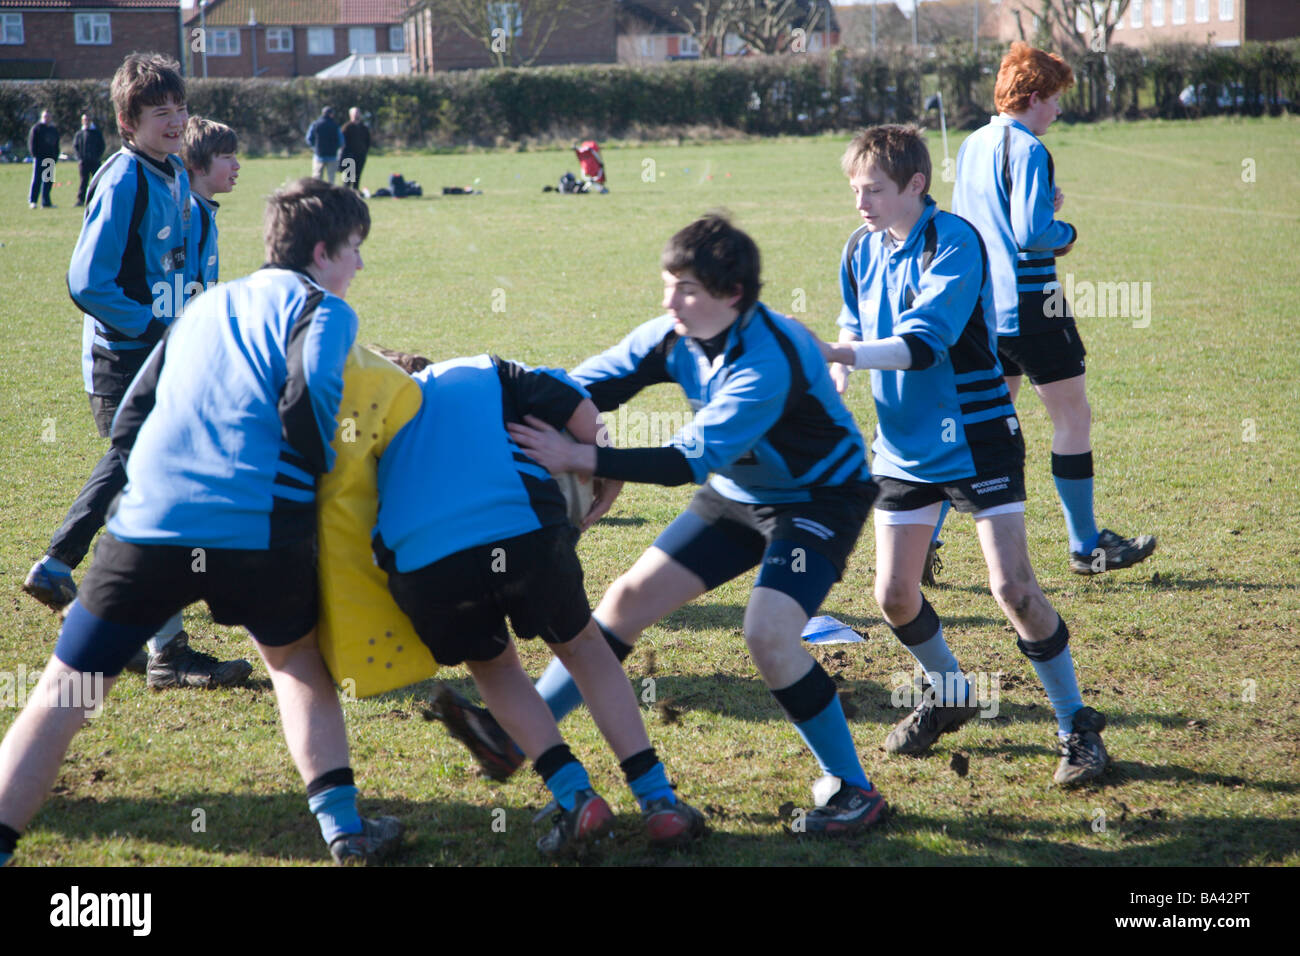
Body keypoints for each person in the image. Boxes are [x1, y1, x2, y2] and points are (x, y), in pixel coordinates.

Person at [436, 214, 889, 835]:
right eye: (668, 282)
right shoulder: (673, 334)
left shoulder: (770, 360)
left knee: (769, 633)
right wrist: (530, 414)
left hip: (818, 502)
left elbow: (683, 460)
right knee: (624, 600)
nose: (669, 300)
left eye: (688, 290)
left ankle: (853, 789)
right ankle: (517, 735)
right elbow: (583, 386)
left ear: (732, 296)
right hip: (736, 492)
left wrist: (583, 459)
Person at [0, 178, 403, 868]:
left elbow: (131, 418)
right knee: (297, 666)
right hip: (258, 528)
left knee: (62, 692)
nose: (359, 267)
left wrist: (152, 491)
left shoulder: (204, 305)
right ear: (321, 250)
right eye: (355, 250)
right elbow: (306, 400)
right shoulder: (324, 308)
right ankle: (346, 833)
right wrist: (315, 480)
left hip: (148, 526)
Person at [825, 124, 1110, 787]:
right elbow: (854, 320)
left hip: (977, 435)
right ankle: (950, 690)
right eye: (854, 189)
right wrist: (840, 365)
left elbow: (924, 344)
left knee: (1013, 589)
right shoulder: (861, 247)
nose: (860, 202)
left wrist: (841, 356)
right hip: (901, 446)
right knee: (893, 595)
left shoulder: (953, 242)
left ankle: (1076, 724)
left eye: (873, 189)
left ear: (915, 186)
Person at [373, 350, 705, 855]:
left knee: (494, 668)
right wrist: (606, 467)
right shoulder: (488, 370)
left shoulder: (371, 411)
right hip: (521, 533)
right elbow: (579, 405)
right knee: (584, 648)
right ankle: (658, 801)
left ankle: (577, 799)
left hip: (425, 565)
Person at [22, 53, 252, 691]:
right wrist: (156, 330)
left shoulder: (174, 175)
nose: (176, 121)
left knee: (151, 499)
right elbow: (87, 282)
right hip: (123, 358)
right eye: (160, 113)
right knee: (146, 482)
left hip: (162, 355)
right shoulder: (123, 176)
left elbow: (174, 270)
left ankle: (124, 635)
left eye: (180, 109)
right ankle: (65, 569)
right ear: (127, 121)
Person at [918, 42, 1156, 580]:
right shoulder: (1028, 149)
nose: (1058, 110)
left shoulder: (976, 143)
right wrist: (1065, 231)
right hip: (1032, 305)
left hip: (981, 310)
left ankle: (923, 546)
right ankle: (1086, 544)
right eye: (1053, 100)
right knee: (1073, 419)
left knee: (975, 428)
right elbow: (1030, 233)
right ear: (1031, 97)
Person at [182, 116, 240, 291]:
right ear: (198, 165)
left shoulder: (203, 209)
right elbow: (184, 285)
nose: (236, 165)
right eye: (227, 157)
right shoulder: (191, 213)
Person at [27, 109, 59, 209]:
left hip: (50, 158)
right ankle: (33, 201)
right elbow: (32, 143)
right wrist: (35, 155)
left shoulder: (53, 130)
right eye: (45, 116)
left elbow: (56, 144)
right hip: (39, 158)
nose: (46, 118)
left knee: (48, 181)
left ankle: (46, 202)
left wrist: (55, 156)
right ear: (42, 117)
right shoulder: (36, 128)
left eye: (48, 116)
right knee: (37, 180)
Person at [72, 113, 106, 207]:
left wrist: (97, 156)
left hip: (95, 162)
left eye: (88, 119)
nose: (86, 121)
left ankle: (97, 198)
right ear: (82, 121)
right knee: (83, 181)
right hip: (83, 162)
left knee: (96, 181)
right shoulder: (79, 134)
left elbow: (102, 146)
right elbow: (75, 147)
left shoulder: (96, 133)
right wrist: (80, 158)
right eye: (84, 119)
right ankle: (80, 200)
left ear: (91, 120)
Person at [307, 106, 341, 185]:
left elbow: (308, 138)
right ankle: (331, 196)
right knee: (331, 180)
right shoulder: (335, 125)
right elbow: (341, 141)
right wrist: (336, 148)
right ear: (331, 114)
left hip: (319, 155)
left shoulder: (315, 124)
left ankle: (317, 195)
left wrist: (314, 148)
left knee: (317, 179)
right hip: (332, 156)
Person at [339, 107, 370, 192]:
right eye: (354, 113)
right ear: (350, 115)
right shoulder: (346, 127)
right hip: (349, 155)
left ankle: (356, 191)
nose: (356, 115)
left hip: (361, 155)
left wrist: (364, 151)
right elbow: (342, 142)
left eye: (357, 113)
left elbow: (368, 141)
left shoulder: (364, 127)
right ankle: (345, 192)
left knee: (358, 175)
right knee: (349, 176)